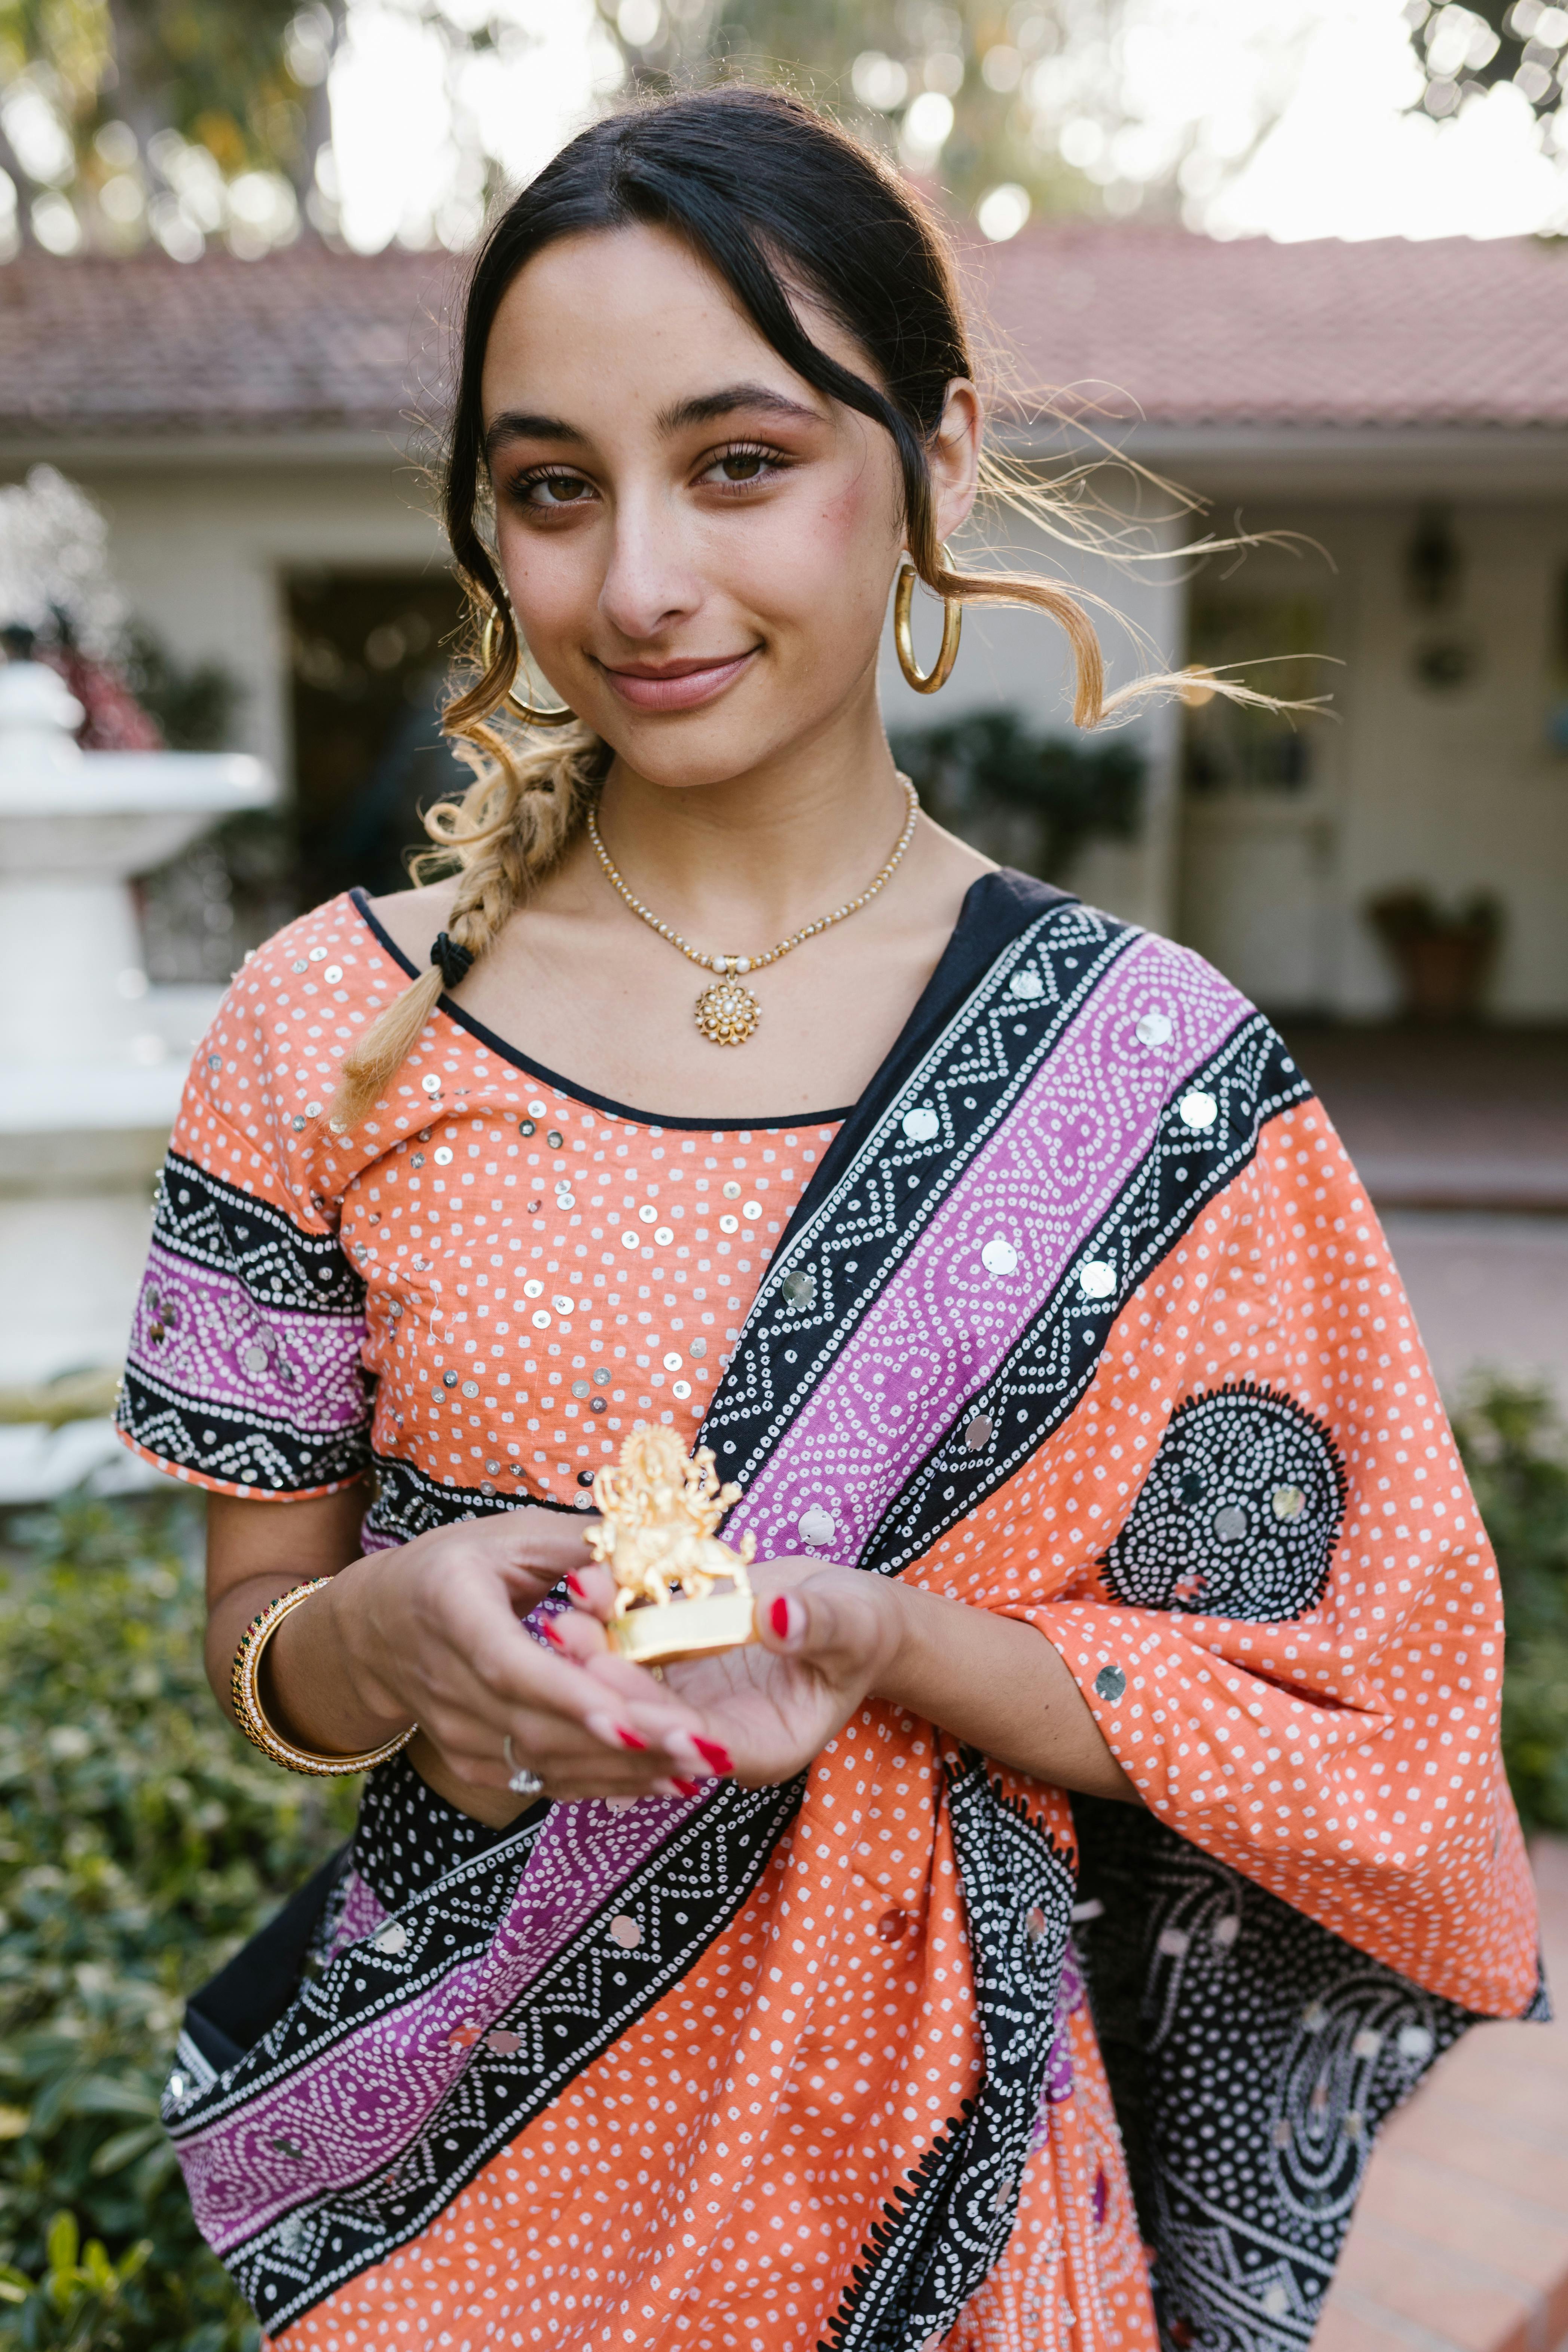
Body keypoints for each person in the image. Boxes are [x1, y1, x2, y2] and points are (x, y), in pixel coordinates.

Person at [116, 84, 1541, 2352]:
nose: (641, 580)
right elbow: (259, 1638)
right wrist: (392, 1643)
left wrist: (882, 1643)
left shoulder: (1160, 1078)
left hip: (960, 2210)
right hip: (460, 2202)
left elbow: (1378, 1727)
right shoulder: (338, 1031)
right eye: (553, 491)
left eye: (743, 462)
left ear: (941, 460)